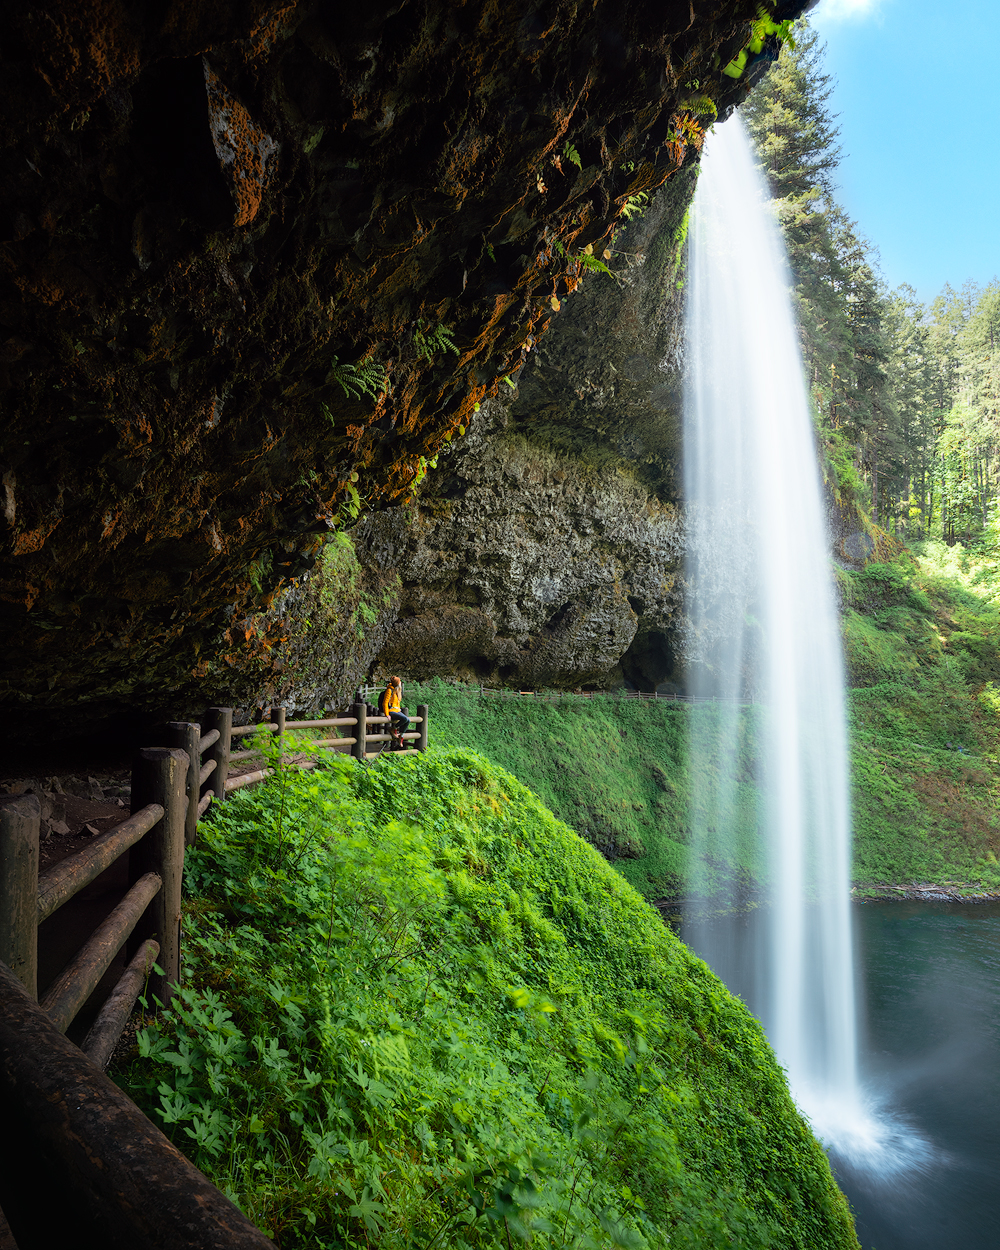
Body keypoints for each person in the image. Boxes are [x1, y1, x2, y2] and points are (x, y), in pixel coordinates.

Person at [378, 676, 410, 749]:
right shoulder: (389, 690)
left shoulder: (397, 691)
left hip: (397, 711)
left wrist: (399, 710)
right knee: (405, 719)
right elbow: (385, 703)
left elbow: (397, 703)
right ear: (397, 684)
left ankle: (401, 736)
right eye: (399, 682)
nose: (401, 683)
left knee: (408, 720)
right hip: (391, 711)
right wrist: (387, 714)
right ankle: (393, 728)